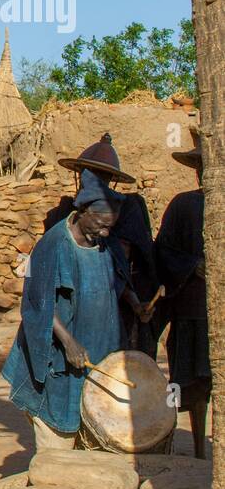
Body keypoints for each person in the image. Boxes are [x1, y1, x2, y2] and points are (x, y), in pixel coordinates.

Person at [5, 171, 122, 450]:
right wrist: (68, 341)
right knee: (56, 450)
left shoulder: (103, 244)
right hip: (61, 358)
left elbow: (113, 285)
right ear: (82, 212)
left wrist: (134, 303)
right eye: (101, 225)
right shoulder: (52, 245)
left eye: (110, 227)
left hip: (97, 352)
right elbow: (36, 302)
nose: (105, 232)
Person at [44, 133, 158, 356]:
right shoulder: (58, 231)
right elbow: (40, 298)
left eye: (103, 177)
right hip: (70, 323)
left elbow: (116, 274)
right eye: (91, 174)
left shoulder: (118, 222)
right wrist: (67, 341)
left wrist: (135, 304)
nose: (96, 180)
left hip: (110, 322)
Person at [153, 131, 209, 458]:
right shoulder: (183, 204)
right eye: (199, 165)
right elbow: (164, 251)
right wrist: (192, 265)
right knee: (189, 383)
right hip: (190, 309)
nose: (203, 171)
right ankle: (199, 450)